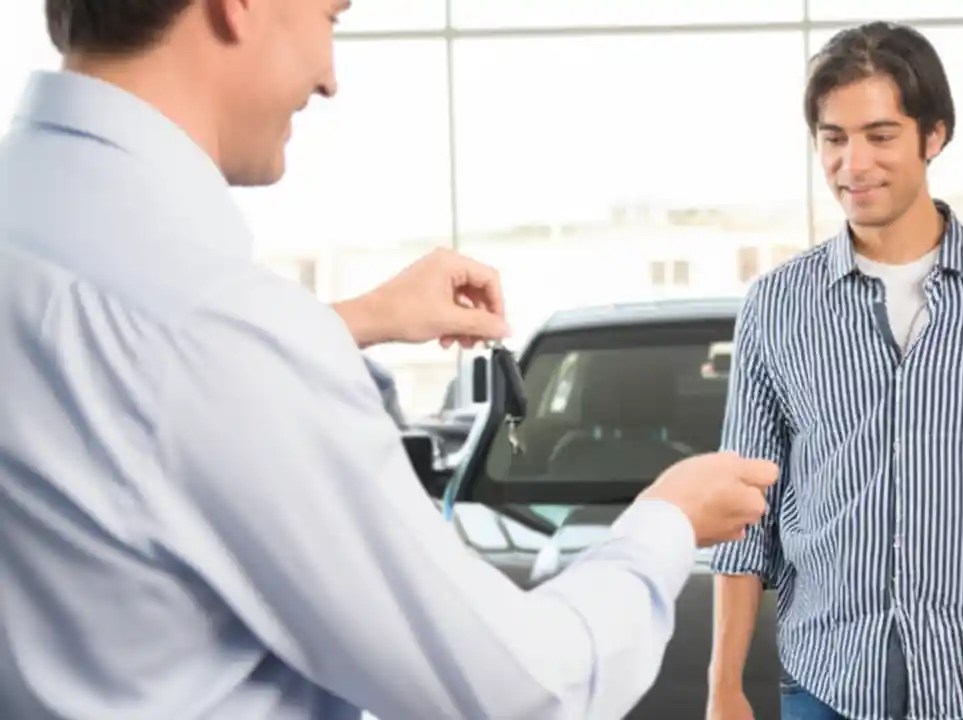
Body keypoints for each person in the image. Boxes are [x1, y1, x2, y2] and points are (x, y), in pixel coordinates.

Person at [0, 2, 780, 719]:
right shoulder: (216, 328)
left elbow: (116, 376)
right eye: (331, 14)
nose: (330, 77)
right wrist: (669, 520)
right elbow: (523, 692)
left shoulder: (51, 241)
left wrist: (350, 321)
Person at [706, 21, 963, 720]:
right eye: (834, 138)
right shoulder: (776, 305)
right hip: (827, 682)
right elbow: (742, 515)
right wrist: (724, 685)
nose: (854, 164)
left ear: (933, 136)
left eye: (880, 136)